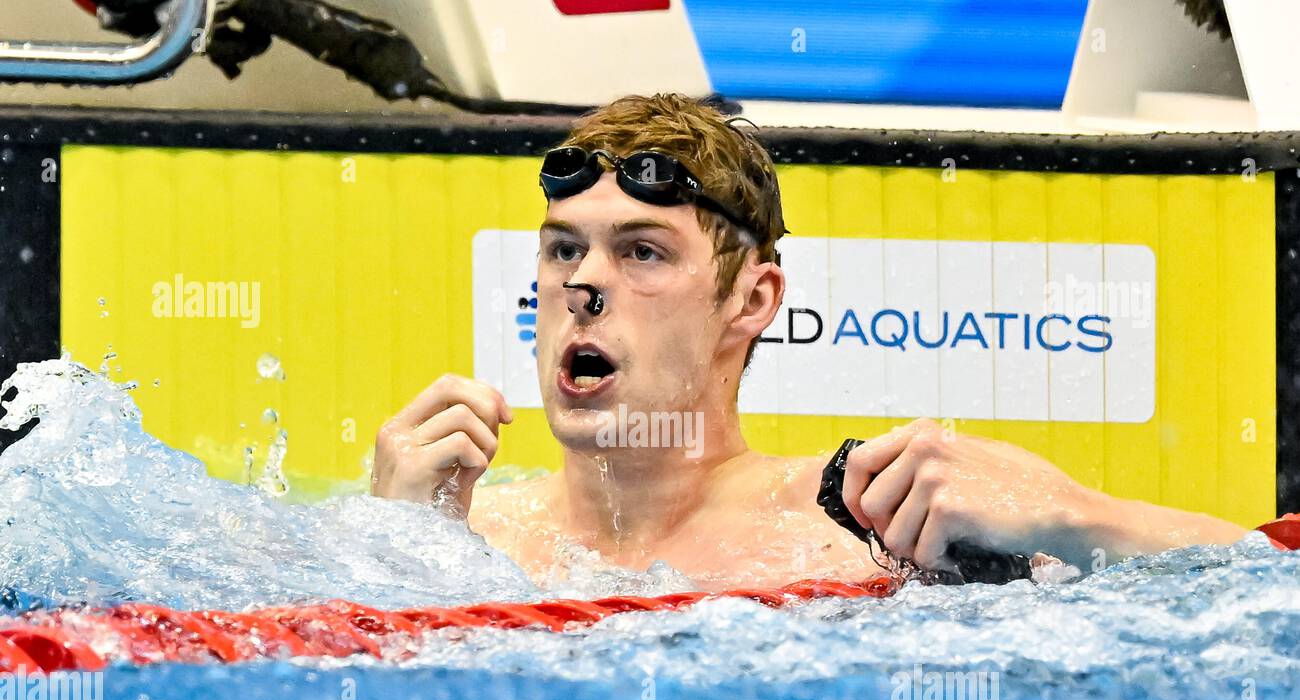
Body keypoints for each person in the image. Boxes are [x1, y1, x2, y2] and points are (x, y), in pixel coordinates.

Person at [370, 93, 1246, 590]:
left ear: (751, 301)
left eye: (641, 251)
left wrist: (1076, 516)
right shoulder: (466, 533)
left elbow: (1261, 580)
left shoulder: (862, 526)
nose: (583, 285)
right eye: (565, 249)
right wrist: (392, 553)